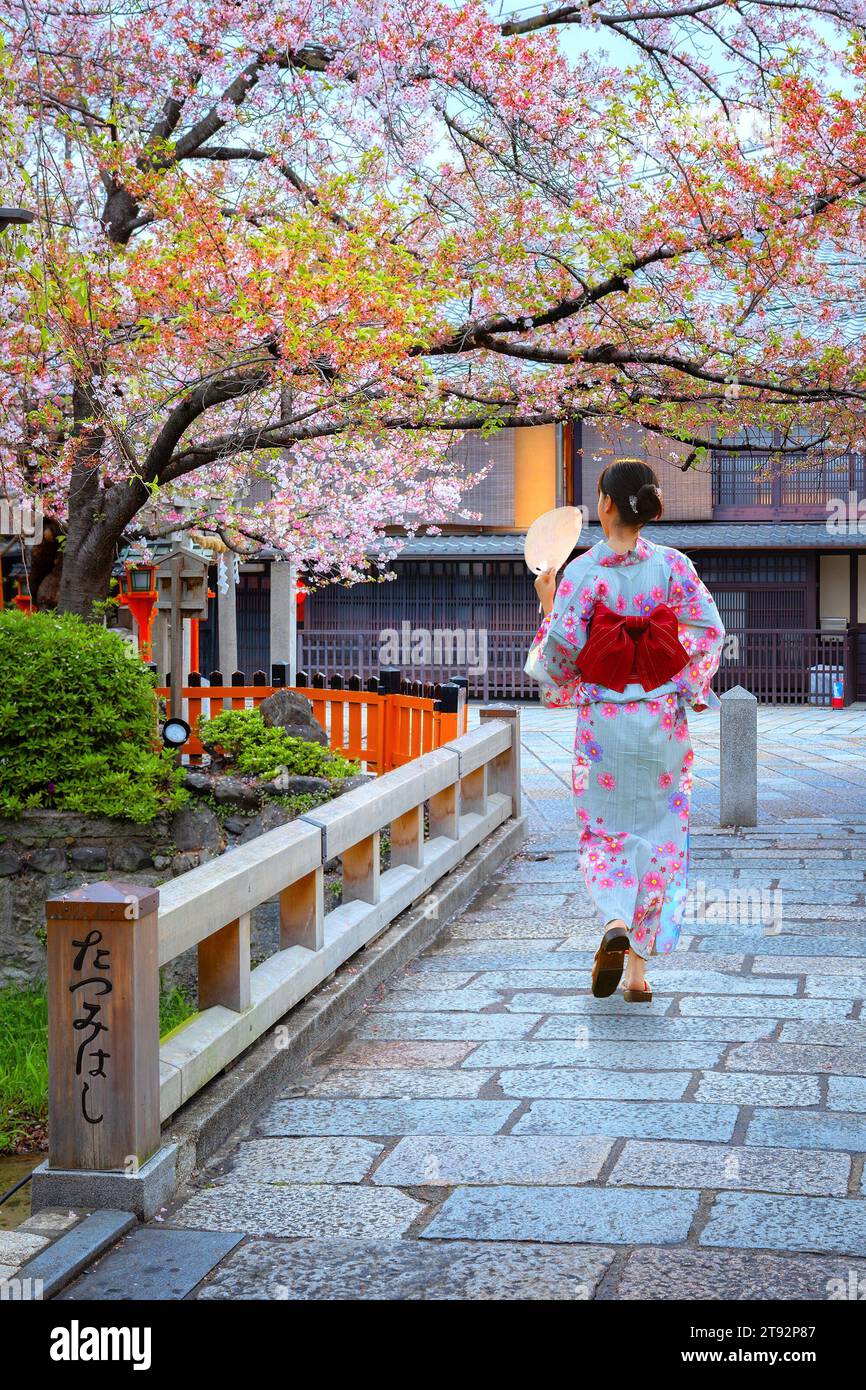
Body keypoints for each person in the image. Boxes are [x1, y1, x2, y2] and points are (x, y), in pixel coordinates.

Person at [526, 458, 725, 1001]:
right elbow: (710, 628)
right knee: (662, 835)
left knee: (605, 832)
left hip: (604, 725)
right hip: (662, 723)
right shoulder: (675, 566)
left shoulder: (584, 573)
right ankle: (638, 974)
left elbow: (562, 651)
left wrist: (548, 604)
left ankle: (614, 920)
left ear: (606, 504)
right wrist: (688, 685)